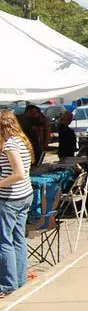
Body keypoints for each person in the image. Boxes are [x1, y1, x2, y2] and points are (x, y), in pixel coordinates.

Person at [0, 110, 35, 297]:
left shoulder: (11, 144)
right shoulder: (20, 140)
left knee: (5, 241)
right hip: (24, 195)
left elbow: (18, 173)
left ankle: (8, 284)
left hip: (11, 198)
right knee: (18, 238)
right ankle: (19, 281)